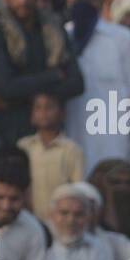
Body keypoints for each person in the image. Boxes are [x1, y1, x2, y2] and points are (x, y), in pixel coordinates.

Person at [0, 0, 84, 146]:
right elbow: (6, 87)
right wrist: (53, 76)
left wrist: (27, 94)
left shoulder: (53, 28)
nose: (23, 0)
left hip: (49, 132)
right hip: (8, 131)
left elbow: (77, 83)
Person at [62, 0, 130, 173]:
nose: (83, 3)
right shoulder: (61, 36)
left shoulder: (121, 38)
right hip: (71, 131)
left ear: (101, 0)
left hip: (112, 137)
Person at [18, 92, 83, 220]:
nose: (43, 112)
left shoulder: (72, 149)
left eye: (49, 107)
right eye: (38, 108)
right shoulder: (24, 146)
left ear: (62, 114)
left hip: (60, 219)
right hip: (28, 217)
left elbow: (77, 188)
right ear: (32, 115)